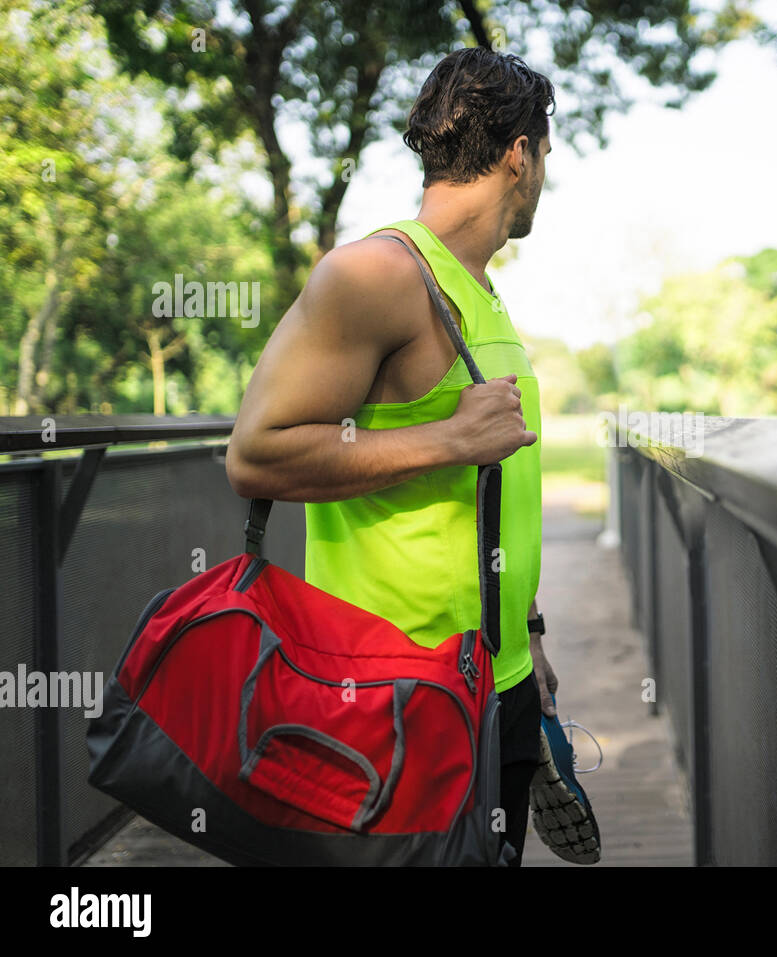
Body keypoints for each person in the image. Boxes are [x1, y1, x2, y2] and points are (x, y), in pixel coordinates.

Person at [225, 46, 559, 867]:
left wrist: (531, 639)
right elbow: (257, 454)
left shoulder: (476, 287)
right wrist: (450, 439)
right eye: (548, 154)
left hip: (498, 682)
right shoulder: (374, 272)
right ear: (520, 153)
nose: (547, 175)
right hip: (393, 693)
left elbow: (498, 490)